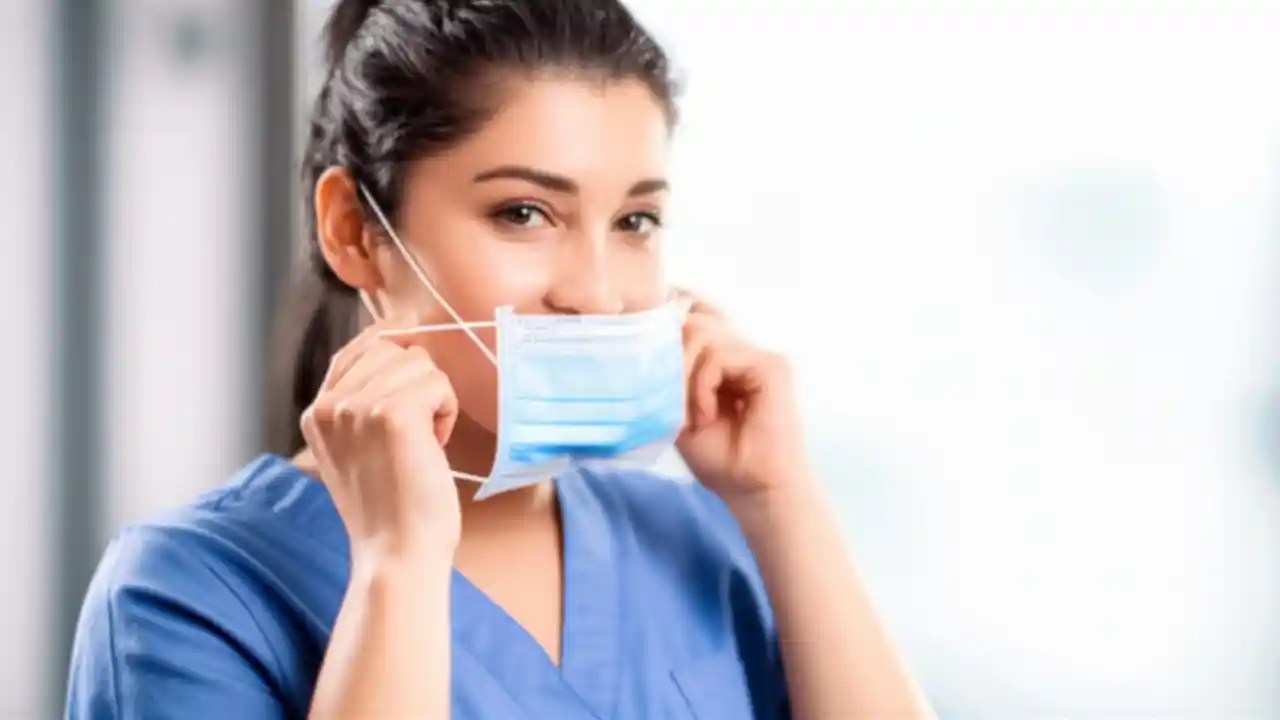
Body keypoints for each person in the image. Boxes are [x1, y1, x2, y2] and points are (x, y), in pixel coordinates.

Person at [65, 0, 934, 717]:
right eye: (524, 213)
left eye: (634, 221)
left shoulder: (700, 538)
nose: (596, 293)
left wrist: (781, 502)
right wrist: (398, 569)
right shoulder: (187, 595)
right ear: (355, 232)